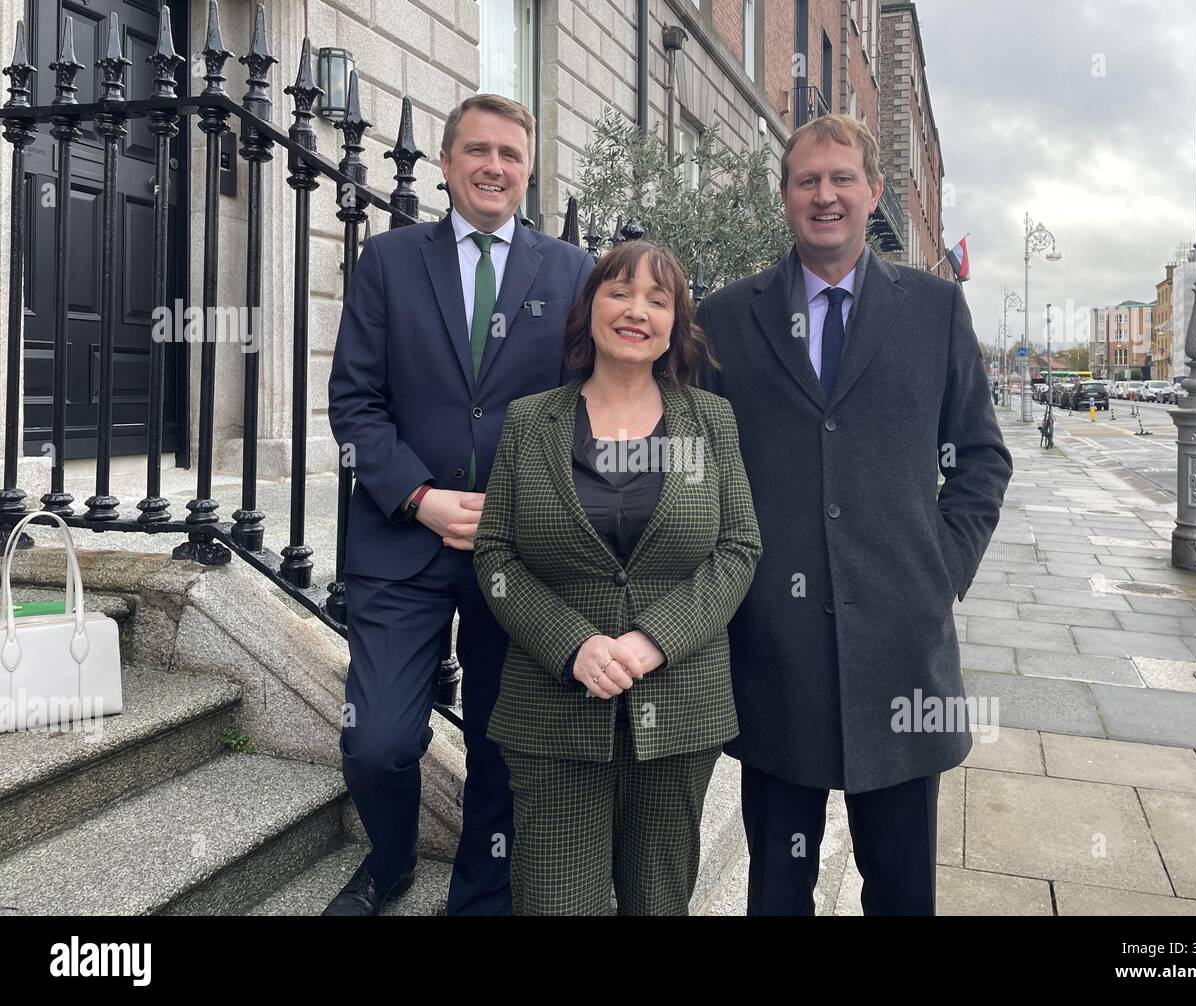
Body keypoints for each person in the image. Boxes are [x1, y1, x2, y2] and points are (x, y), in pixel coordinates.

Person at [697, 113, 1013, 915]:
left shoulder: (935, 309)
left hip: (901, 662)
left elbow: (981, 458)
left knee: (903, 894)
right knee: (776, 893)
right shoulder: (728, 317)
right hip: (776, 657)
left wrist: (938, 572)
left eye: (843, 179)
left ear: (874, 193)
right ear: (785, 196)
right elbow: (698, 471)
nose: (825, 195)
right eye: (808, 180)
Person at [325, 94, 593, 915]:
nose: (493, 167)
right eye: (476, 151)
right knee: (379, 741)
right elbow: (354, 403)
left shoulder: (573, 273)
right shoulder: (389, 260)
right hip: (400, 543)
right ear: (444, 163)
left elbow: (590, 403)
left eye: (510, 154)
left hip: (516, 555)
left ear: (529, 168)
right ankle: (393, 859)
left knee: (499, 740)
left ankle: (480, 897)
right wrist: (419, 497)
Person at [473, 240, 762, 915]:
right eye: (619, 291)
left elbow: (738, 545)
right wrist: (572, 643)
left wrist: (651, 639)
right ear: (590, 308)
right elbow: (495, 553)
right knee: (552, 904)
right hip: (553, 712)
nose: (636, 311)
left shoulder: (707, 422)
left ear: (675, 323)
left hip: (680, 709)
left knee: (658, 903)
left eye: (657, 300)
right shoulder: (531, 420)